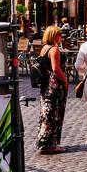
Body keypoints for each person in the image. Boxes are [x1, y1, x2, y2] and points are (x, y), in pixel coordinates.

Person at [35, 26, 68, 154]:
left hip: (46, 86)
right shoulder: (54, 49)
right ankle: (50, 144)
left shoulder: (44, 49)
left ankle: (44, 141)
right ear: (54, 35)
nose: (61, 36)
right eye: (59, 34)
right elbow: (56, 68)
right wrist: (65, 81)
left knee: (46, 114)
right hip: (54, 86)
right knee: (54, 114)